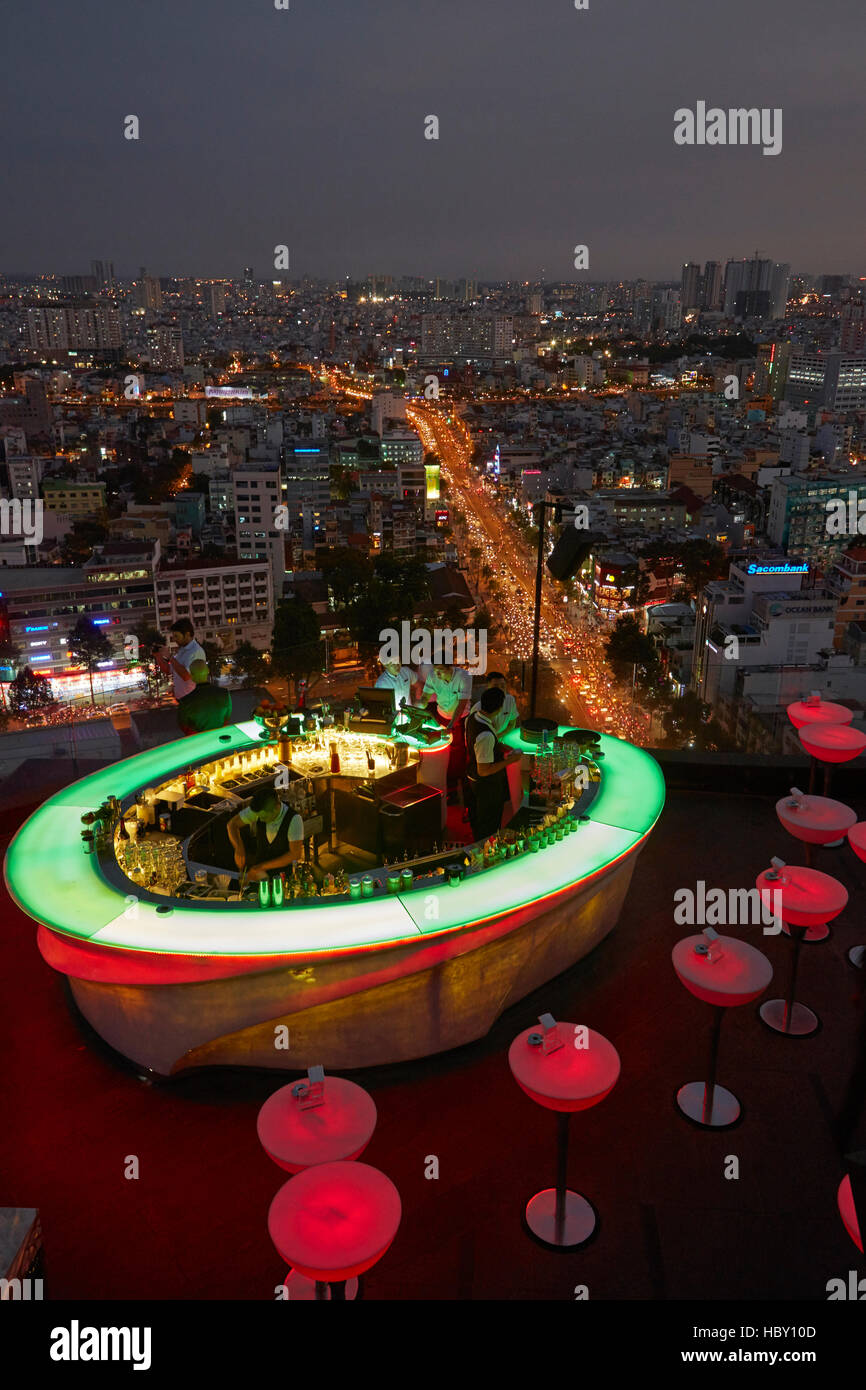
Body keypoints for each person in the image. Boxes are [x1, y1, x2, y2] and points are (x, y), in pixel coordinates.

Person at [464, 687, 523, 840]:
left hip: (473, 779)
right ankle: (486, 853)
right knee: (488, 824)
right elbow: (484, 770)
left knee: (479, 818)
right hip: (486, 786)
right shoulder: (485, 735)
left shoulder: (473, 718)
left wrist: (501, 748)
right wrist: (511, 760)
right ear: (498, 709)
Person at [226, 783, 305, 884]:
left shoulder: (294, 819)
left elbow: (295, 854)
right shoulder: (259, 809)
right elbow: (232, 825)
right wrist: (239, 847)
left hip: (283, 876)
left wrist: (262, 867)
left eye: (264, 817)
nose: (261, 820)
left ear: (276, 808)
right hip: (259, 872)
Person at [419, 663, 472, 797]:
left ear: (450, 668)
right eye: (436, 670)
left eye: (441, 671)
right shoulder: (433, 675)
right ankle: (447, 784)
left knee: (458, 753)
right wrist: (421, 704)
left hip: (461, 718)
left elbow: (461, 704)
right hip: (442, 715)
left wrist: (452, 725)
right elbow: (426, 696)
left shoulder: (464, 676)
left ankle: (460, 787)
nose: (437, 674)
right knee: (444, 750)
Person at [156, 620, 206, 708]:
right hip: (182, 701)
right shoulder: (182, 650)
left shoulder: (196, 651)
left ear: (187, 634)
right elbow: (168, 670)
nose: (174, 639)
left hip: (192, 701)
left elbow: (186, 676)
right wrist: (157, 655)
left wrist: (170, 657)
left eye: (176, 636)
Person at [177, 659, 232, 736]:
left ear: (191, 676)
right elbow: (226, 719)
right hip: (220, 739)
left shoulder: (185, 701)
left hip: (199, 743)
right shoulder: (224, 693)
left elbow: (185, 727)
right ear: (208, 671)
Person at [472, 671, 518, 736]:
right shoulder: (477, 708)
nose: (500, 690)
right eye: (495, 687)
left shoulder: (510, 700)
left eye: (502, 686)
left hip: (500, 738)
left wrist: (498, 737)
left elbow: (512, 724)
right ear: (487, 687)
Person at [375, 660, 416, 726]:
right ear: (385, 665)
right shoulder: (381, 683)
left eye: (398, 662)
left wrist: (418, 701)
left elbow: (418, 683)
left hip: (410, 718)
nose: (397, 666)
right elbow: (379, 706)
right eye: (393, 664)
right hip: (394, 722)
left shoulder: (406, 671)